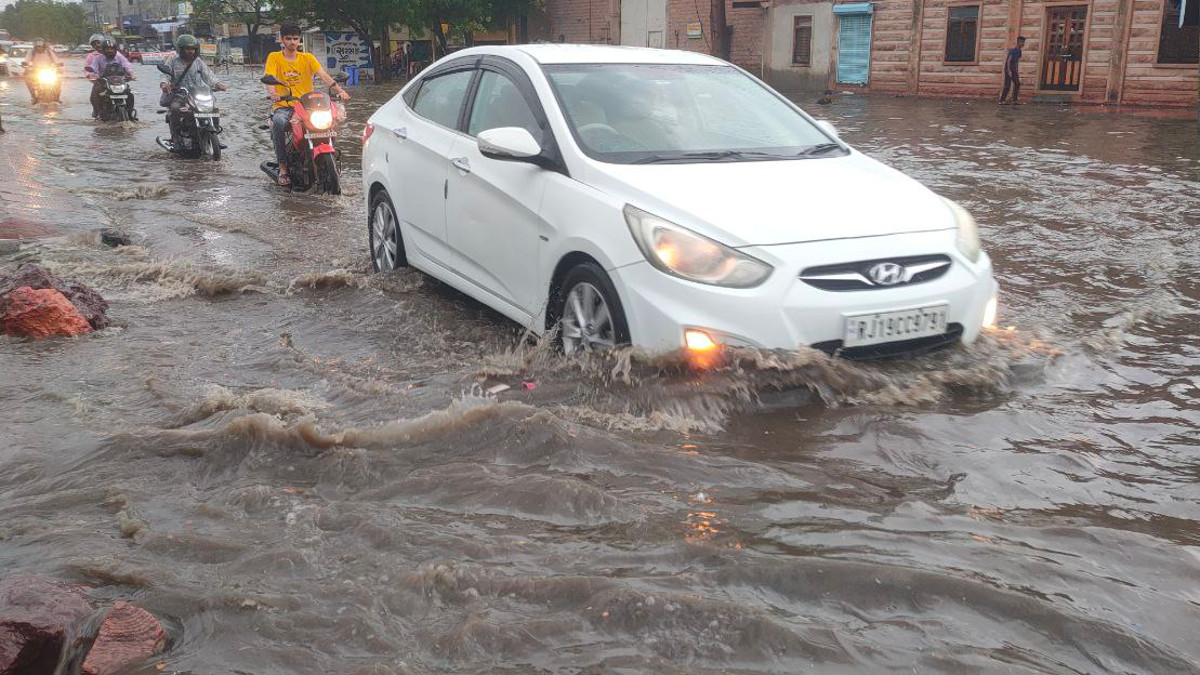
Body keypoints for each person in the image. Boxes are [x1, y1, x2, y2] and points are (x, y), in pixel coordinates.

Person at [263, 24, 350, 186]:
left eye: (295, 39)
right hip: (285, 105)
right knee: (279, 123)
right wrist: (273, 93)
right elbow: (270, 77)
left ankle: (331, 158)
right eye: (288, 39)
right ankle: (283, 168)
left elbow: (323, 75)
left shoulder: (308, 58)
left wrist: (340, 90)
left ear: (299, 40)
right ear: (282, 40)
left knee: (332, 120)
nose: (292, 42)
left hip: (307, 105)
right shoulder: (274, 57)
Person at [159, 35, 227, 145]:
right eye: (187, 49)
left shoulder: (198, 61)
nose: (191, 51)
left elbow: (208, 75)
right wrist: (164, 84)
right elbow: (165, 75)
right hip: (180, 94)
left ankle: (214, 133)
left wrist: (218, 84)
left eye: (193, 49)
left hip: (198, 93)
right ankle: (176, 138)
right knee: (175, 108)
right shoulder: (172, 59)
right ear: (181, 49)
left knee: (212, 107)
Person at [87, 38, 136, 119]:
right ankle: (97, 111)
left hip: (119, 82)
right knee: (94, 95)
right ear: (103, 50)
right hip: (103, 82)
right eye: (107, 49)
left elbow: (127, 66)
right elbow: (93, 69)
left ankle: (130, 114)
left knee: (130, 94)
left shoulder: (119, 57)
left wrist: (132, 74)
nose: (110, 51)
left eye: (112, 49)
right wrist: (92, 76)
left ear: (115, 49)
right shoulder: (98, 59)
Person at [1000, 36, 1026, 105]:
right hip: (1008, 69)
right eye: (1022, 42)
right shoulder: (1012, 51)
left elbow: (1016, 62)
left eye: (1024, 42)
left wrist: (1016, 71)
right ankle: (1001, 100)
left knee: (1017, 84)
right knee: (1007, 86)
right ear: (1018, 42)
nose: (1023, 44)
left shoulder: (1019, 51)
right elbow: (1008, 61)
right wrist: (1009, 71)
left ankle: (1014, 100)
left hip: (1014, 70)